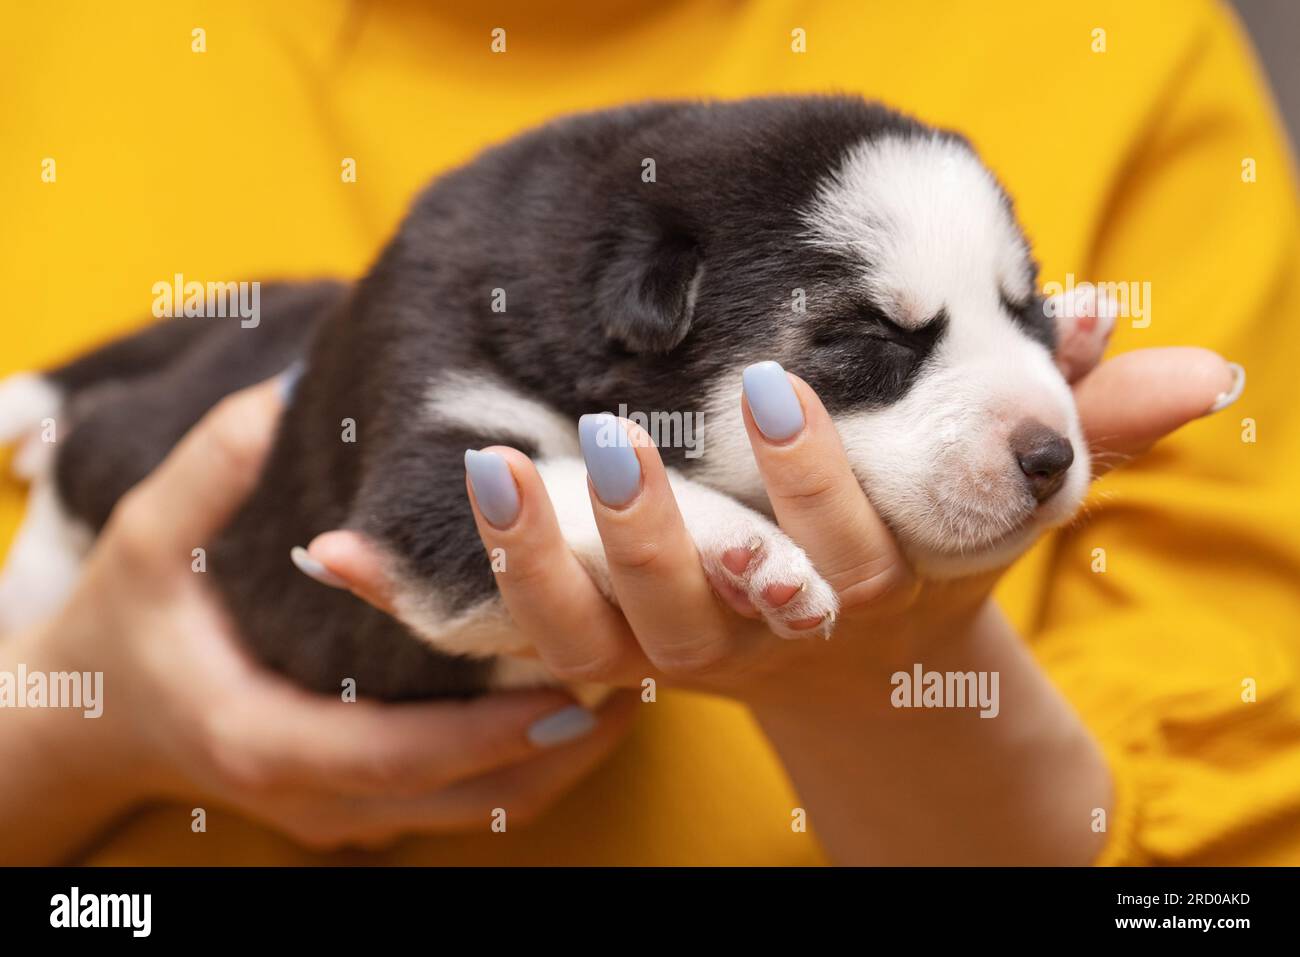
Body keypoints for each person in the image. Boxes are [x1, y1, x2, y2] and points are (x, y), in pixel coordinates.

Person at [2, 0, 1298, 865]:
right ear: (650, 313)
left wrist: (898, 683)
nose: (1041, 425)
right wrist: (66, 731)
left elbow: (1227, 876)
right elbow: (434, 546)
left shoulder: (1116, 38)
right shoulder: (70, 43)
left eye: (1016, 310)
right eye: (881, 339)